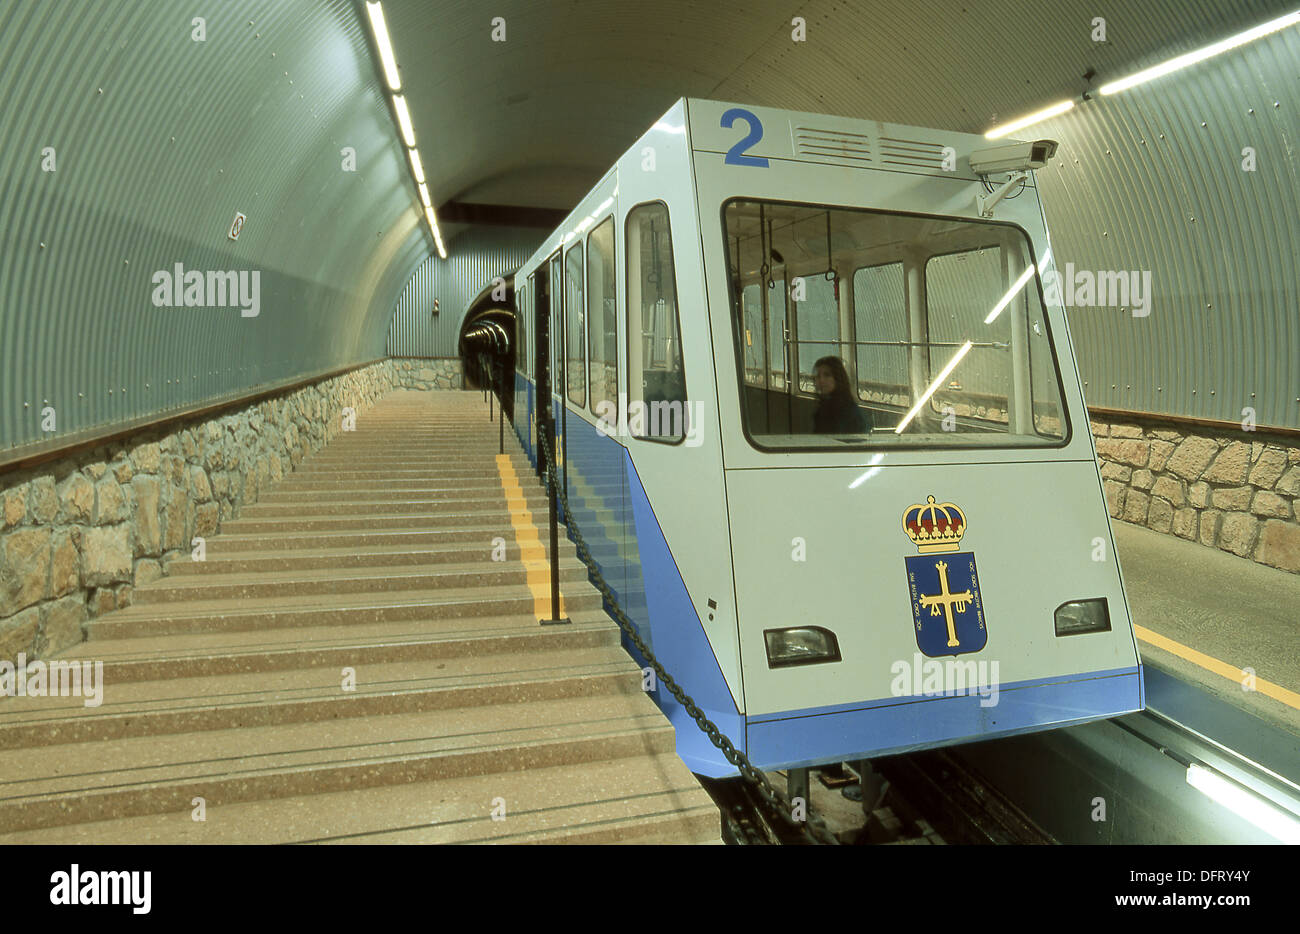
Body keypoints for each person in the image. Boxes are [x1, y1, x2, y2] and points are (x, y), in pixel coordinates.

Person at [812, 356, 871, 434]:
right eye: (818, 376)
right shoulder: (822, 408)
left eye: (827, 375)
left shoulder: (849, 411)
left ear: (838, 377)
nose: (821, 380)